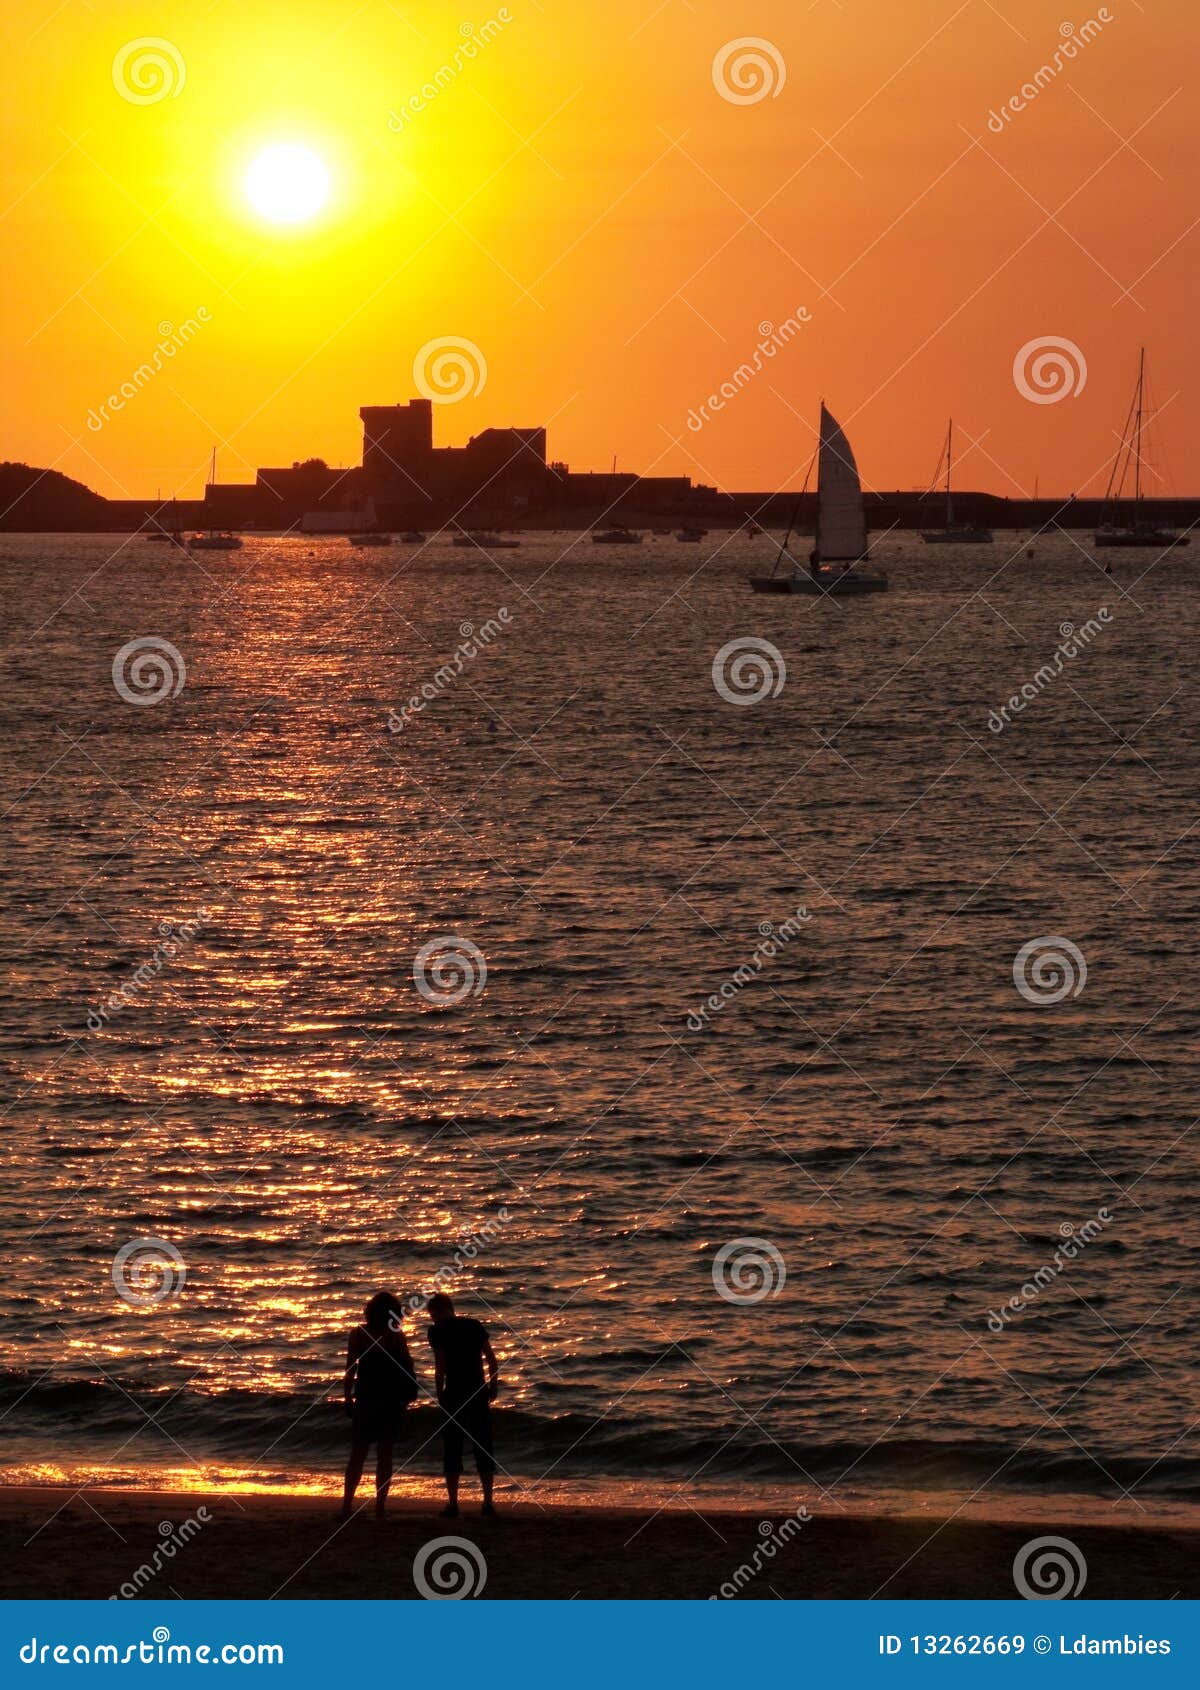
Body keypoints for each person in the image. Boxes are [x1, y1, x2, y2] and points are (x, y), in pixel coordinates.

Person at [341, 1291, 417, 1519]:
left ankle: (346, 1506)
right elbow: (407, 1368)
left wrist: (347, 1397)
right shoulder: (395, 1337)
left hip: (366, 1398)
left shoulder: (358, 1334)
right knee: (385, 1455)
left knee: (358, 1454)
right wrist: (406, 1398)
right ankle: (380, 1508)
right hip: (390, 1399)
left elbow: (350, 1369)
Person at [426, 1292, 499, 1517]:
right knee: (483, 1445)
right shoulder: (474, 1325)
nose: (433, 1319)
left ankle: (453, 1503)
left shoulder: (437, 1331)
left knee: (453, 1447)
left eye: (432, 1315)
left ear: (437, 1311)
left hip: (454, 1392)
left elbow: (440, 1364)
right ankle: (487, 1502)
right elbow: (491, 1358)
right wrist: (493, 1384)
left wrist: (439, 1392)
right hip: (478, 1390)